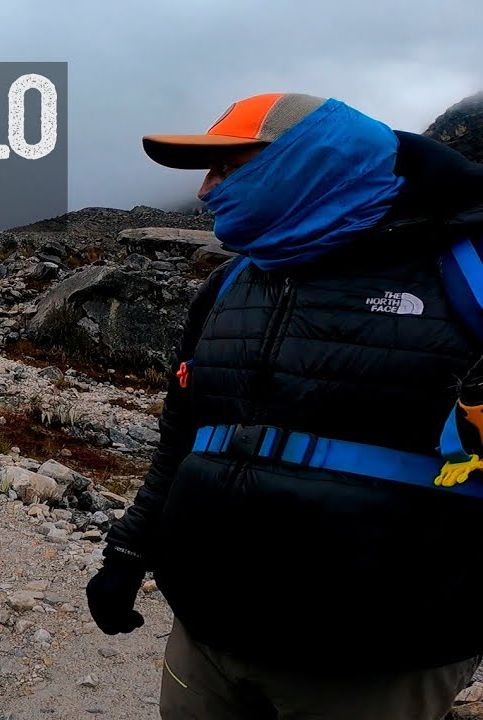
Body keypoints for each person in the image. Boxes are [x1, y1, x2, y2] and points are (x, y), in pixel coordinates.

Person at [84, 93, 483, 719]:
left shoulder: (463, 268)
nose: (206, 191)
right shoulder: (233, 280)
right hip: (209, 635)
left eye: (225, 169)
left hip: (379, 657)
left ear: (300, 164)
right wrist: (128, 555)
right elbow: (184, 437)